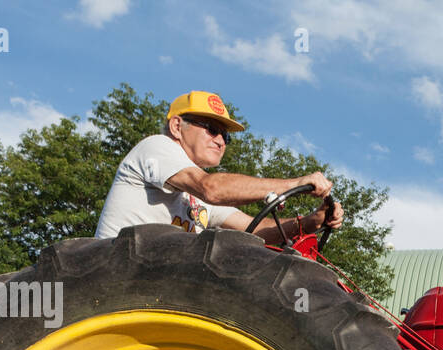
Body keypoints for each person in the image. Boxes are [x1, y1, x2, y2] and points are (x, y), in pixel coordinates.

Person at [95, 90, 344, 241]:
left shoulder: (196, 196)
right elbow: (211, 188)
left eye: (225, 136)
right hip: (117, 274)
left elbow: (253, 229)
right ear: (176, 127)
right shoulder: (156, 147)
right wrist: (295, 183)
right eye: (212, 130)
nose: (220, 141)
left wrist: (314, 220)